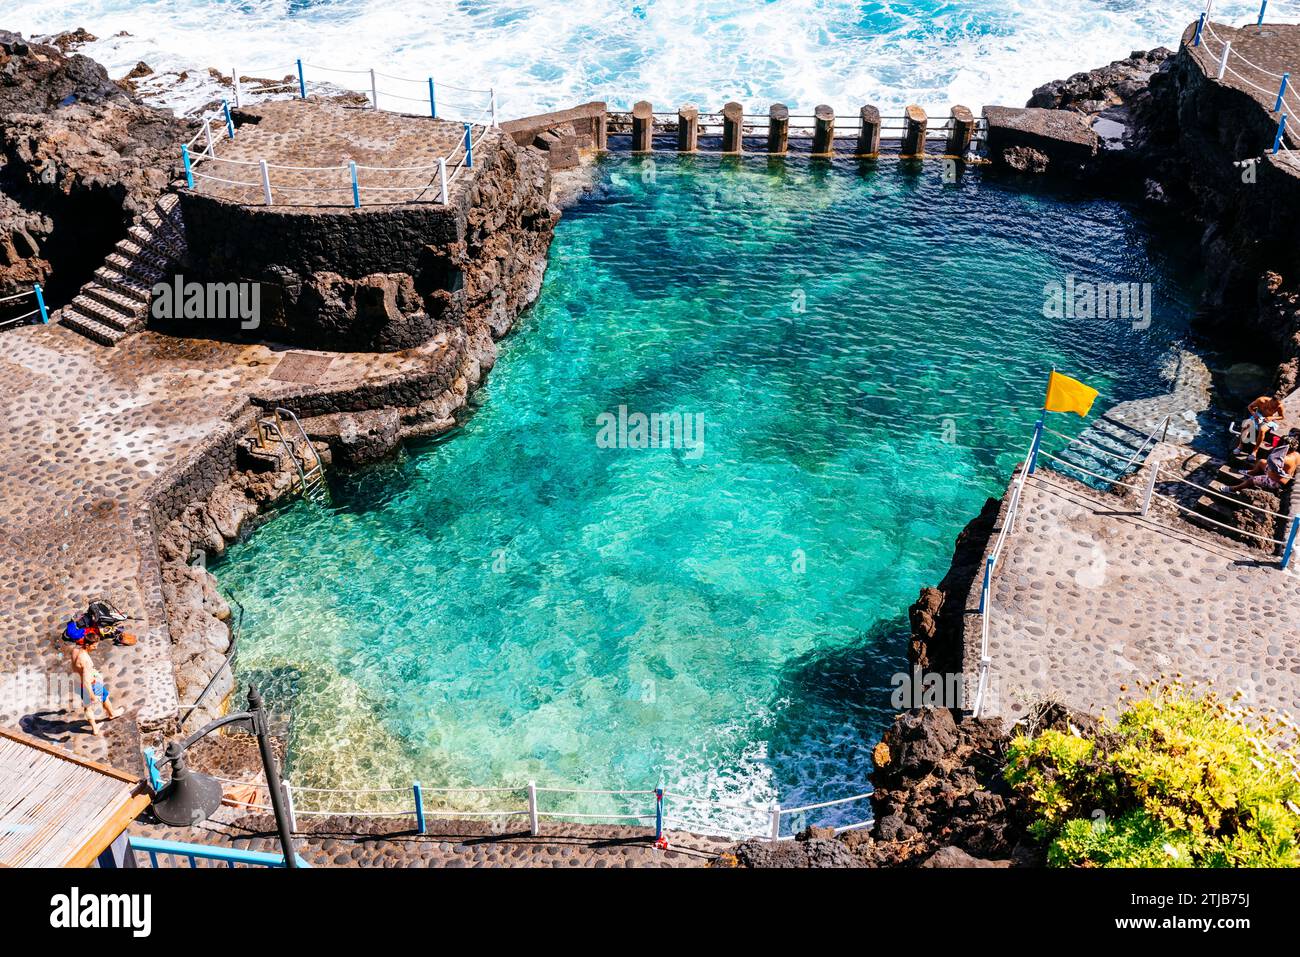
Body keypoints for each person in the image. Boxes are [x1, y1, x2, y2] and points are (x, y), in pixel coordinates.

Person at [62, 618, 123, 735]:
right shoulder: (86, 661)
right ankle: (112, 714)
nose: (96, 648)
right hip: (91, 685)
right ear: (88, 645)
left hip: (77, 682)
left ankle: (95, 728)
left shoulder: (75, 650)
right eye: (94, 646)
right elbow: (86, 681)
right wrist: (92, 696)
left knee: (87, 707)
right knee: (104, 696)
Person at [1230, 430, 1300, 495]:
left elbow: (1272, 465)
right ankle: (1252, 472)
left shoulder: (1284, 459)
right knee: (1261, 461)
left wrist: (1268, 473)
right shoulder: (1297, 454)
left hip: (1278, 482)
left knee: (1251, 480)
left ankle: (1233, 489)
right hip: (1281, 475)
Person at [1233, 394, 1286, 459]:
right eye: (1276, 404)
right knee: (1245, 425)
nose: (1277, 406)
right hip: (1257, 415)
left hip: (1268, 419)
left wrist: (1271, 417)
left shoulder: (1279, 406)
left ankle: (1255, 451)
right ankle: (1240, 446)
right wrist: (1254, 414)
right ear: (1271, 400)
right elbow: (1250, 407)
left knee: (1262, 430)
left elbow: (1281, 417)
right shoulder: (1261, 400)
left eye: (1278, 404)